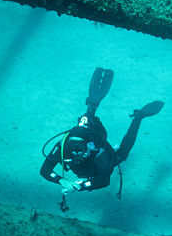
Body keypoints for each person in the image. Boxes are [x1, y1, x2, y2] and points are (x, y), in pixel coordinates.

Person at [40, 67, 164, 210]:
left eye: (79, 148)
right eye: (72, 147)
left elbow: (104, 181)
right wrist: (62, 180)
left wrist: (79, 186)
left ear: (89, 145)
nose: (74, 152)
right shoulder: (63, 146)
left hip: (97, 142)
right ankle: (91, 106)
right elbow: (45, 170)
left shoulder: (101, 154)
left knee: (121, 154)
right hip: (87, 137)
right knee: (87, 121)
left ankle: (138, 118)